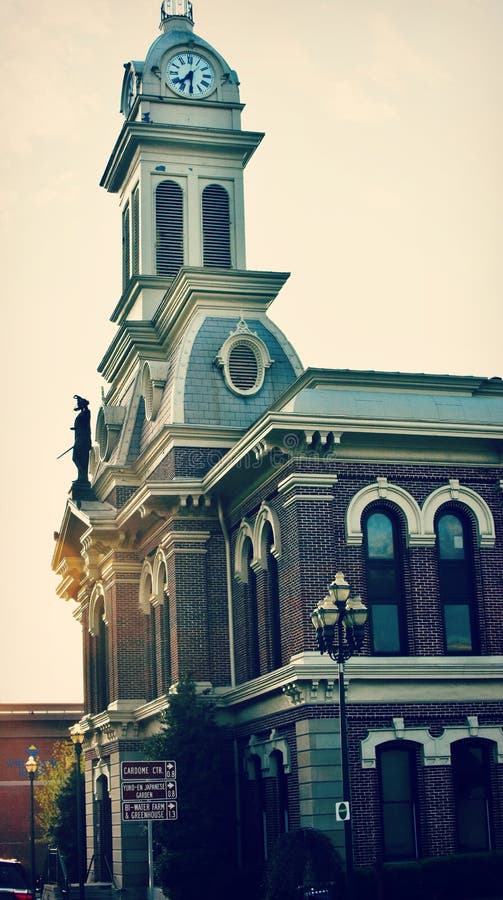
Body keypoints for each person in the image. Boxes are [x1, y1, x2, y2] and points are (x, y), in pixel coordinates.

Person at [71, 395, 91, 483]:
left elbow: (86, 426)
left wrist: (79, 398)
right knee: (76, 457)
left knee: (78, 457)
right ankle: (81, 477)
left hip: (83, 438)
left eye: (79, 403)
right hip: (78, 437)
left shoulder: (86, 412)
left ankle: (82, 478)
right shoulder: (81, 413)